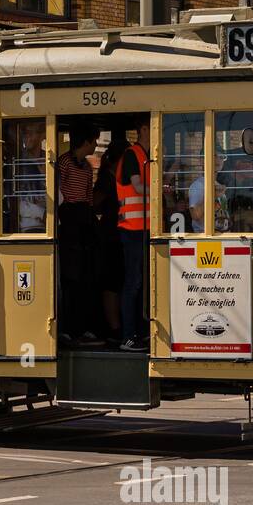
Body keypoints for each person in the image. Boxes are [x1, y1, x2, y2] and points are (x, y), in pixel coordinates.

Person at [57, 124, 99, 343]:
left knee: (85, 275)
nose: (96, 145)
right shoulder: (65, 163)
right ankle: (69, 327)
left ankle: (82, 326)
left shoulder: (87, 167)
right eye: (94, 141)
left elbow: (88, 195)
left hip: (82, 217)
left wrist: (90, 217)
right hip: (69, 217)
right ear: (86, 142)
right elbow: (60, 192)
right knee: (71, 276)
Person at [117, 122, 150, 351]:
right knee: (133, 283)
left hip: (145, 229)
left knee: (144, 282)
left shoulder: (147, 155)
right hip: (131, 230)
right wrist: (161, 187)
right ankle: (128, 337)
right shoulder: (132, 155)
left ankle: (141, 331)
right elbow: (138, 187)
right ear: (144, 129)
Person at [93, 135, 126, 344]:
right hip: (111, 235)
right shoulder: (108, 178)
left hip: (120, 233)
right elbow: (95, 202)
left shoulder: (115, 176)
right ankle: (114, 329)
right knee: (112, 283)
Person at [6, 121, 46, 232]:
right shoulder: (17, 162)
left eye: (30, 133)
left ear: (43, 135)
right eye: (24, 133)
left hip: (51, 225)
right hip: (26, 228)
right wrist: (41, 213)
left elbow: (59, 195)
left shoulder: (48, 160)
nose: (26, 137)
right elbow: (11, 201)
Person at [188, 152, 231, 234]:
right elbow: (195, 214)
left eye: (221, 156)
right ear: (202, 161)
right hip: (204, 237)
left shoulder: (216, 183)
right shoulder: (198, 185)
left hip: (222, 236)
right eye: (214, 155)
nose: (218, 159)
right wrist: (213, 196)